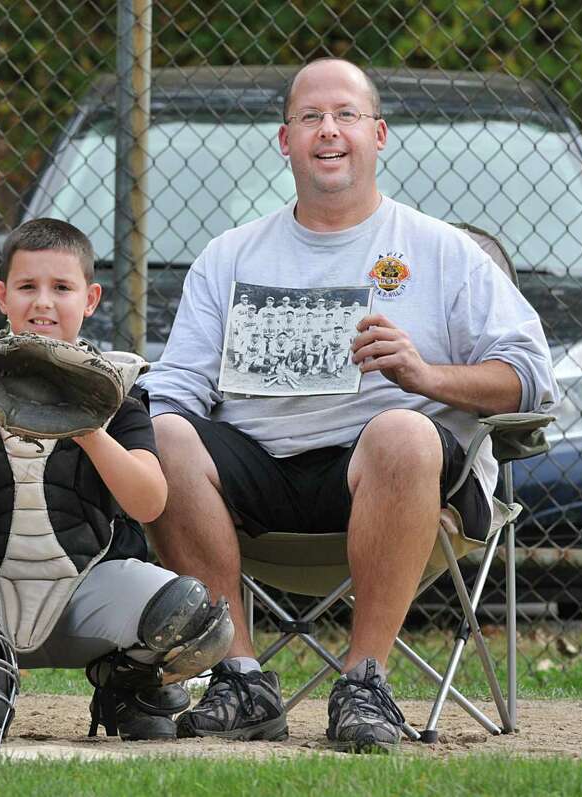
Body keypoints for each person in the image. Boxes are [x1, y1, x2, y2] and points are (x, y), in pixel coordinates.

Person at [139, 58, 557, 751]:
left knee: (400, 430)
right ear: (284, 141)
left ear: (379, 134)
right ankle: (240, 678)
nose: (328, 131)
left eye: (346, 116)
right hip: (256, 487)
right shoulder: (230, 256)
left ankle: (366, 683)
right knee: (163, 433)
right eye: (310, 118)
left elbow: (532, 378)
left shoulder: (443, 252)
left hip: (394, 481)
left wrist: (428, 376)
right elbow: (179, 388)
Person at [0, 218, 231, 742]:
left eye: (62, 288)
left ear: (91, 299)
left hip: (91, 590)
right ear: (2, 296)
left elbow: (150, 502)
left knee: (195, 616)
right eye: (27, 287)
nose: (43, 303)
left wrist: (89, 426)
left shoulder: (116, 385)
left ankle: (125, 684)